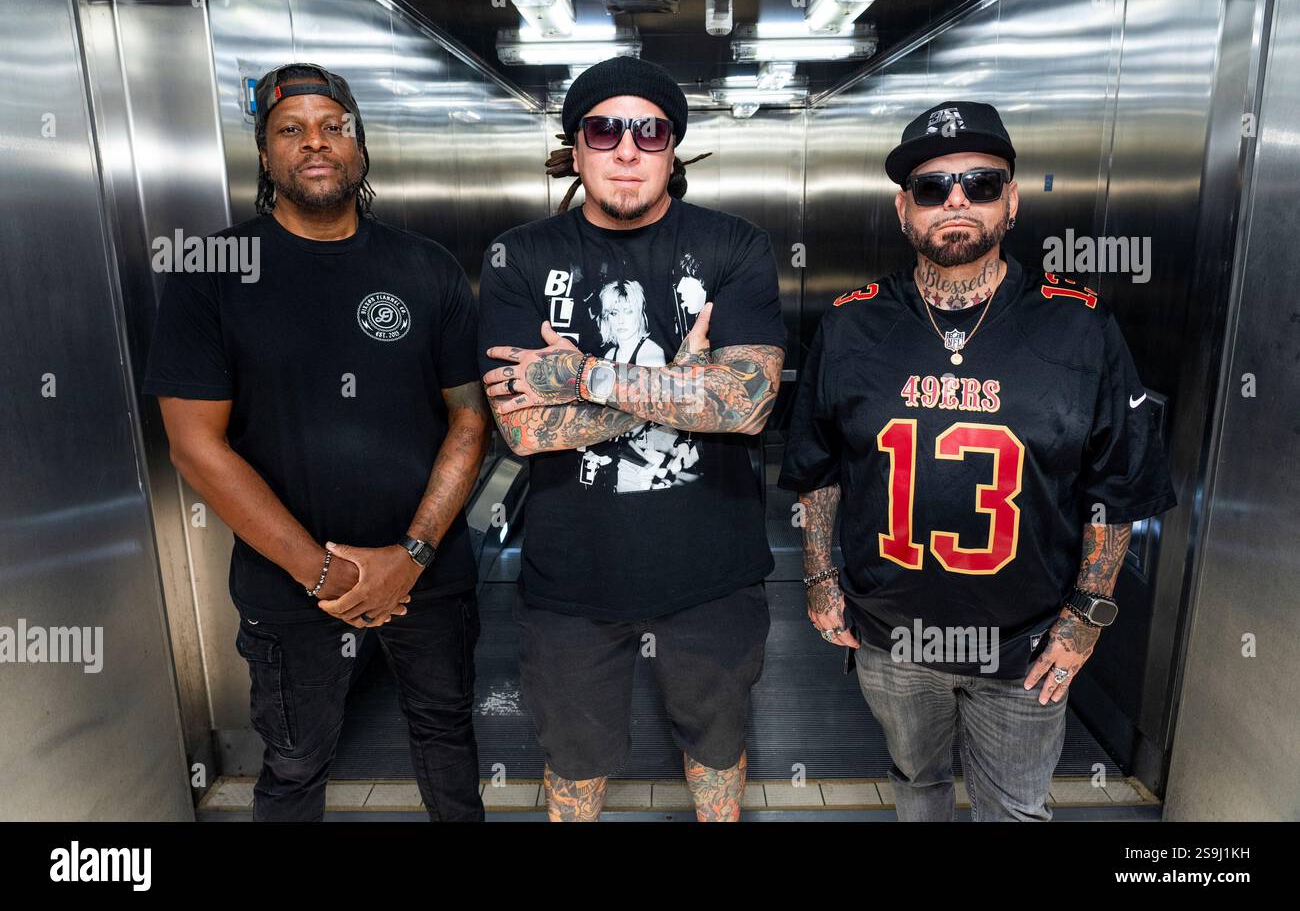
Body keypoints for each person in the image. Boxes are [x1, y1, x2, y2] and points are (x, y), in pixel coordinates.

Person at [779, 100, 1177, 820]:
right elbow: (818, 469)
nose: (956, 200)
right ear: (904, 209)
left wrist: (1085, 616)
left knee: (1015, 810)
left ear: (1012, 201)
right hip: (890, 637)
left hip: (1024, 645)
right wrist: (818, 578)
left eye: (981, 183)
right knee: (916, 787)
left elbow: (1118, 486)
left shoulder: (1078, 326)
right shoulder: (851, 323)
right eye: (932, 188)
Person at [142, 63, 491, 821]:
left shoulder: (426, 268)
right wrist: (325, 572)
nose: (317, 143)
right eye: (291, 130)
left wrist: (414, 554)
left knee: (446, 735)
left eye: (335, 126)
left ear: (360, 147)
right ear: (264, 155)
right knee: (297, 762)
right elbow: (195, 448)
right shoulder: (211, 273)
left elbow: (471, 419)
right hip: (290, 587)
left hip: (429, 577)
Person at [477, 55, 786, 821]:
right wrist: (683, 388)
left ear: (672, 148)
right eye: (603, 129)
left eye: (648, 131)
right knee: (573, 764)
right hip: (571, 586)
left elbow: (746, 406)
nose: (626, 148)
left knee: (717, 750)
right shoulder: (520, 256)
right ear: (575, 149)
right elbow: (521, 428)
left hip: (712, 575)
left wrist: (584, 376)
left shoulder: (735, 247)